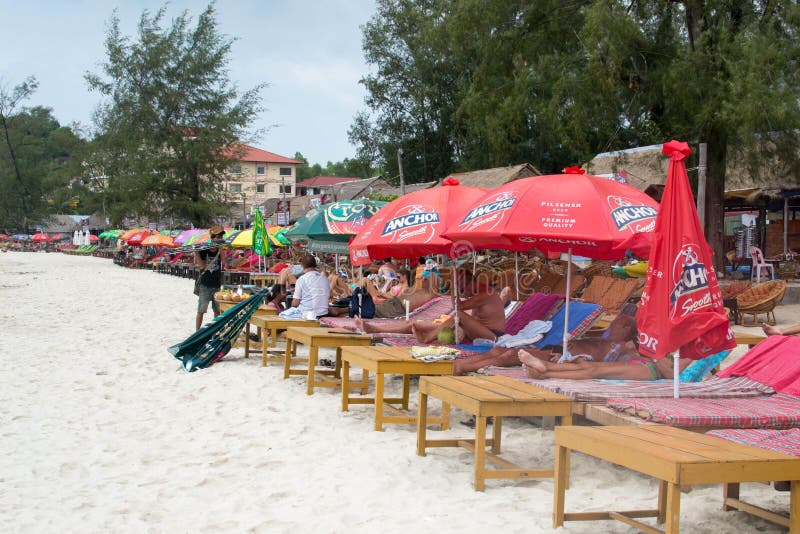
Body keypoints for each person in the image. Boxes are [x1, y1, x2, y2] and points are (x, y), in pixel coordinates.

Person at [452, 314, 639, 375]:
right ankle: (459, 364)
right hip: (558, 349)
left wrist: (573, 360)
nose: (612, 324)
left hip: (564, 358)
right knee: (499, 349)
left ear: (627, 328)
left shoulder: (624, 347)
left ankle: (462, 367)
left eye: (617, 323)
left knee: (509, 355)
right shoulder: (606, 338)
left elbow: (625, 363)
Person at [519, 349, 690, 381]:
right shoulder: (681, 340)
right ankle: (545, 365)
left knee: (595, 371)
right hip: (643, 361)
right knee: (588, 365)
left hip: (650, 370)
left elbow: (671, 374)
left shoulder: (694, 352)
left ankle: (544, 373)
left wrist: (656, 354)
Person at [194, 226, 225, 330]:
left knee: (217, 310)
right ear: (213, 238)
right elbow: (201, 266)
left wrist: (221, 249)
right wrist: (196, 252)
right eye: (218, 236)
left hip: (216, 284)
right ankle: (197, 331)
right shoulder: (204, 249)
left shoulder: (220, 249)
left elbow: (224, 262)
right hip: (205, 285)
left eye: (220, 236)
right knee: (201, 310)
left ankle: (215, 330)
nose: (219, 238)